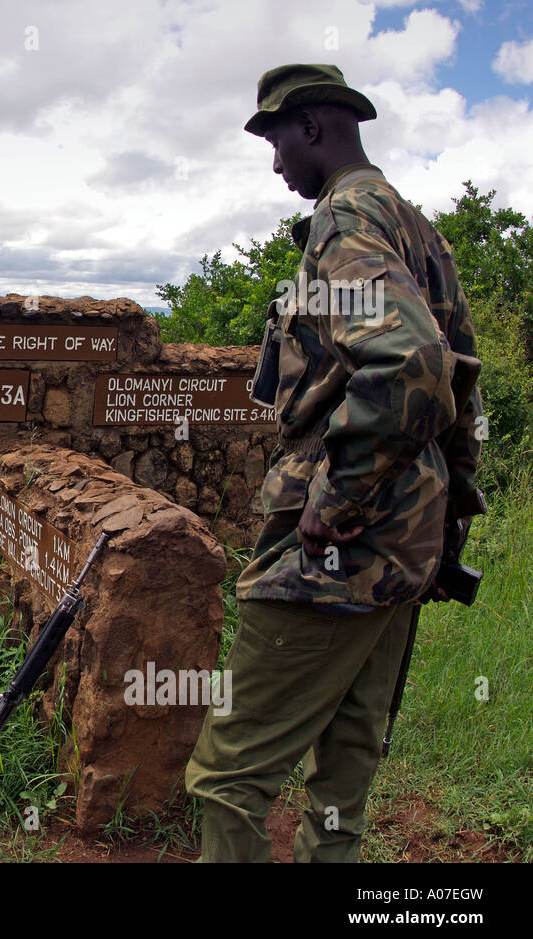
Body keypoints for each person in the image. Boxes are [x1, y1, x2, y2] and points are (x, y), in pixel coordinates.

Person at [184, 65, 484, 861]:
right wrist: (445, 520)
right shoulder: (415, 226)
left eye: (277, 141)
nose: (276, 163)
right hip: (406, 539)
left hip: (339, 548)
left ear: (313, 127)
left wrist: (338, 496)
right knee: (344, 777)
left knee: (229, 775)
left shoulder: (345, 222)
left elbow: (413, 361)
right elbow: (463, 378)